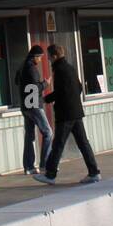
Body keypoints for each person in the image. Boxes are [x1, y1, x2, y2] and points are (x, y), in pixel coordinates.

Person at [33, 43, 101, 185]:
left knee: (58, 144)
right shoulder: (70, 68)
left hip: (65, 114)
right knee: (83, 143)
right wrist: (73, 99)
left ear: (55, 56)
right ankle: (94, 172)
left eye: (50, 57)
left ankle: (50, 175)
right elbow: (79, 87)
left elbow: (60, 92)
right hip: (76, 112)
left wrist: (45, 99)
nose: (49, 60)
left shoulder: (59, 70)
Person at [15, 45, 52, 175]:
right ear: (35, 57)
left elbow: (16, 82)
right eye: (40, 57)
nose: (41, 60)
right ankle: (45, 164)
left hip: (25, 106)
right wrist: (45, 84)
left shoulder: (22, 67)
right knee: (48, 133)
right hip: (34, 105)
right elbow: (34, 89)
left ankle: (29, 166)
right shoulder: (32, 69)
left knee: (29, 136)